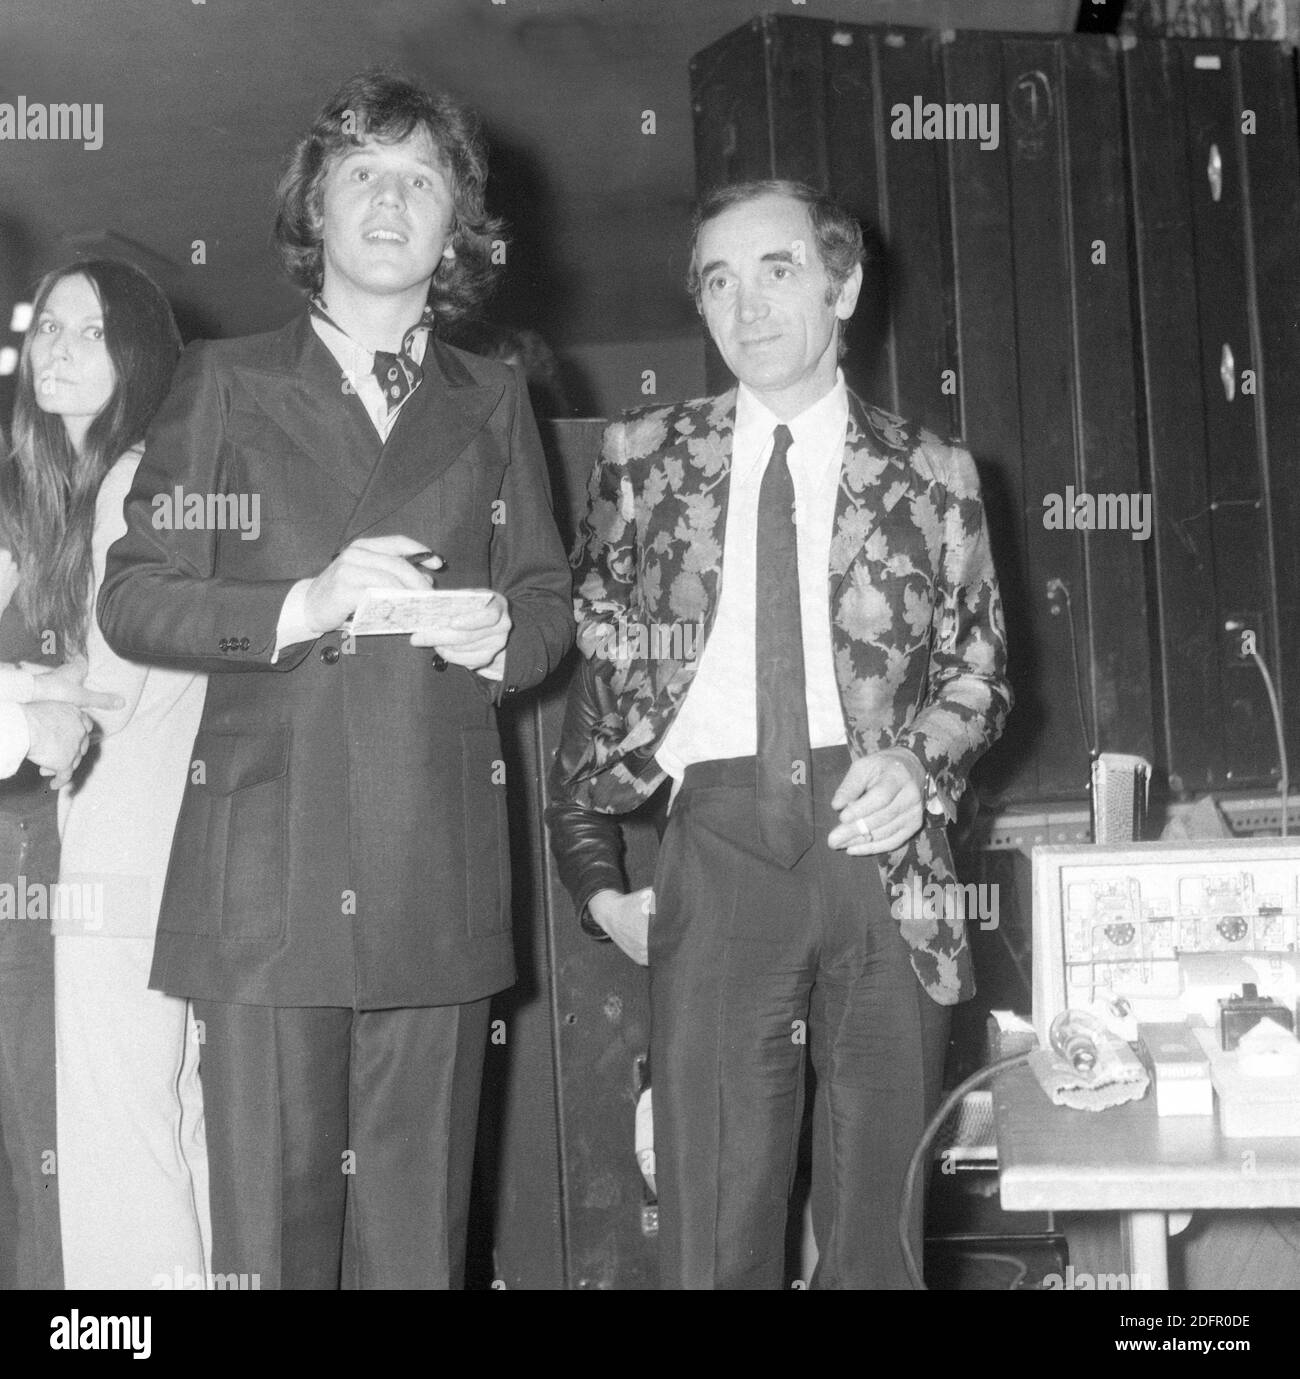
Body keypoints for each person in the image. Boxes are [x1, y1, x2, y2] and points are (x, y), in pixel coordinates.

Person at [97, 71, 573, 1289]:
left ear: (455, 226)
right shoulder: (222, 382)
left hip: (436, 866)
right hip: (269, 878)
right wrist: (304, 603)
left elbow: (546, 603)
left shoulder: (494, 396)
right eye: (362, 171)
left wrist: (498, 638)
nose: (389, 196)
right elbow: (135, 593)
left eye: (421, 179)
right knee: (271, 1247)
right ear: (315, 209)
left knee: (419, 1247)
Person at [547, 179, 1012, 1289]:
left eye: (778, 269)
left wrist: (917, 762)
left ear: (842, 285)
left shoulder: (936, 472)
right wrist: (592, 870)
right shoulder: (639, 459)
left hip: (883, 858)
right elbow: (600, 668)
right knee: (712, 1224)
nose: (746, 304)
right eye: (718, 279)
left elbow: (983, 673)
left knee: (880, 1231)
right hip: (714, 847)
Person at [20, 259, 212, 1291]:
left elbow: (110, 690)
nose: (55, 345)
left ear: (135, 356)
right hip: (159, 832)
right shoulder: (118, 485)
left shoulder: (135, 480)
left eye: (88, 331)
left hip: (129, 832)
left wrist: (26, 690)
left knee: (114, 1119)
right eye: (48, 324)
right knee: (167, 1110)